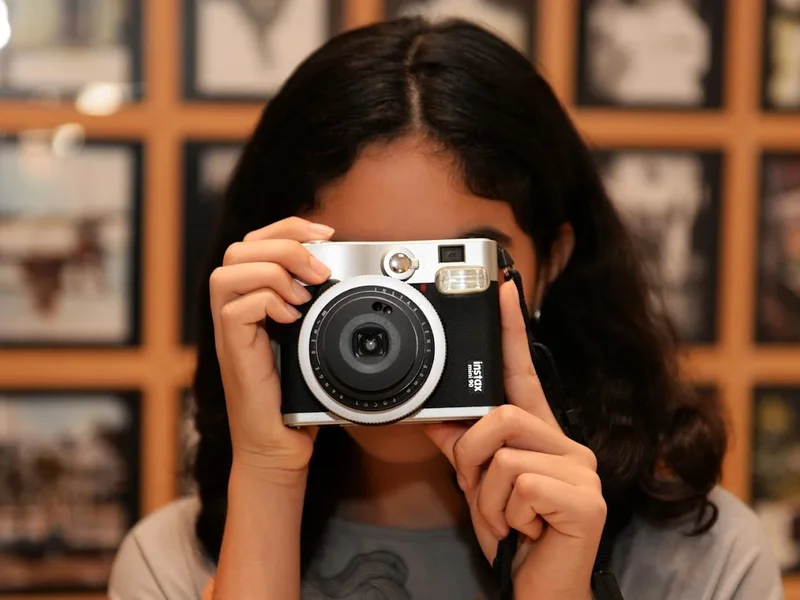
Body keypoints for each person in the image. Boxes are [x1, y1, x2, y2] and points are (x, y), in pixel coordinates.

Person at [108, 17, 783, 600]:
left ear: (548, 265)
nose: (401, 326)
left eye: (454, 271)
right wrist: (267, 479)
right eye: (360, 273)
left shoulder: (701, 558)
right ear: (264, 272)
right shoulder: (175, 562)